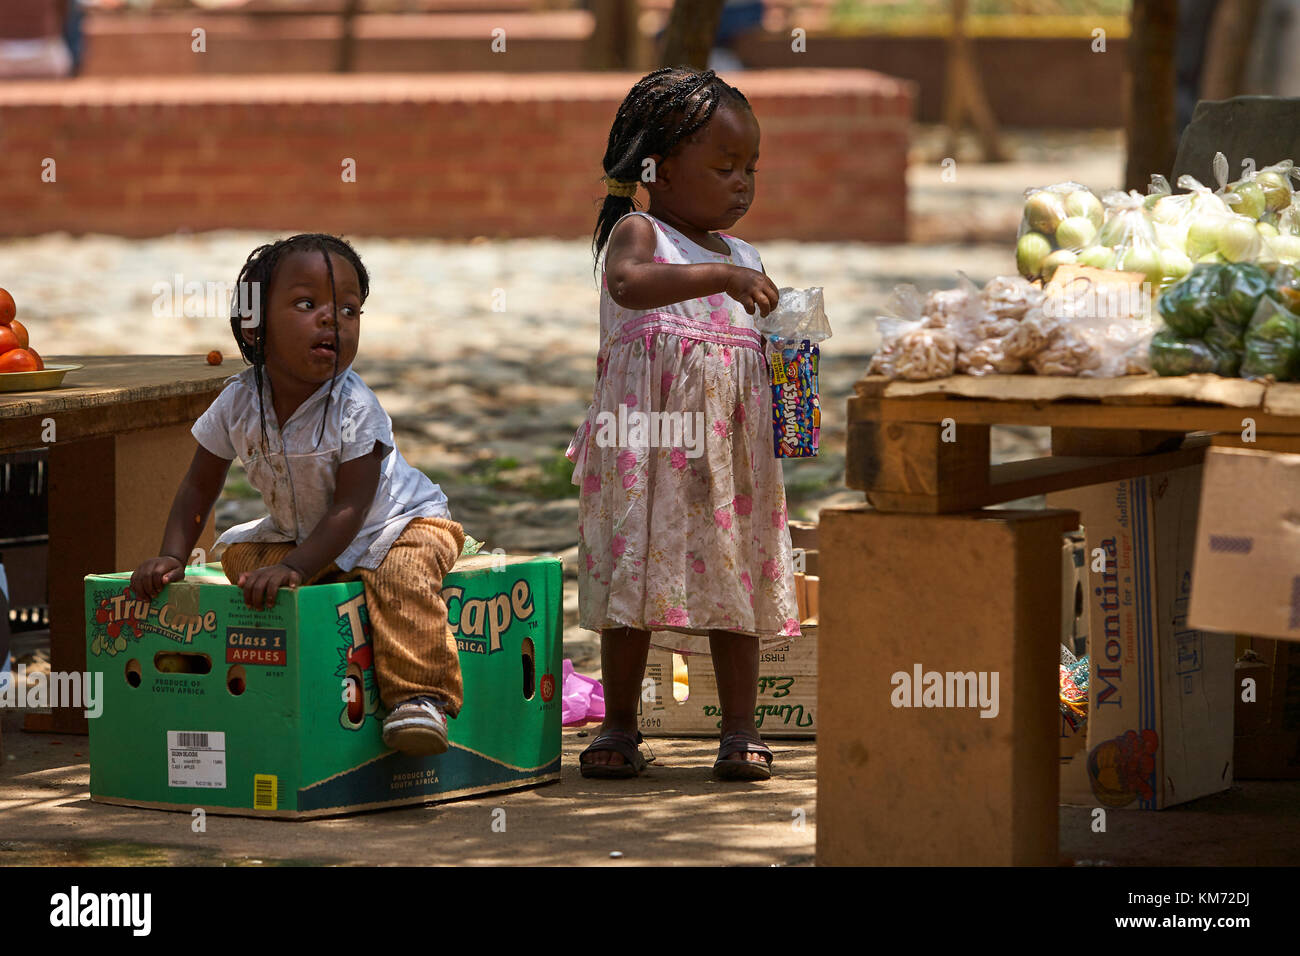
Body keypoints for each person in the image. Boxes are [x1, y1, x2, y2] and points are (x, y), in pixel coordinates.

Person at [130, 233, 466, 756]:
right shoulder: (239, 400)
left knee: (402, 574)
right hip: (310, 538)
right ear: (255, 325)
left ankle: (419, 699)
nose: (333, 319)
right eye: (307, 304)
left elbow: (352, 507)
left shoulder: (354, 407)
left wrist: (296, 567)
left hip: (399, 527)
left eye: (350, 309)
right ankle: (329, 605)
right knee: (240, 559)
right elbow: (200, 482)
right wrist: (173, 554)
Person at [567, 67, 801, 782]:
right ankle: (621, 723)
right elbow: (628, 287)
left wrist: (791, 362)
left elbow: (751, 354)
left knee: (735, 578)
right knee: (634, 580)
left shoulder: (747, 257)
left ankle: (738, 728)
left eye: (751, 169)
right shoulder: (642, 236)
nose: (742, 184)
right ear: (660, 170)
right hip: (646, 451)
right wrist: (721, 280)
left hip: (725, 462)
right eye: (725, 166)